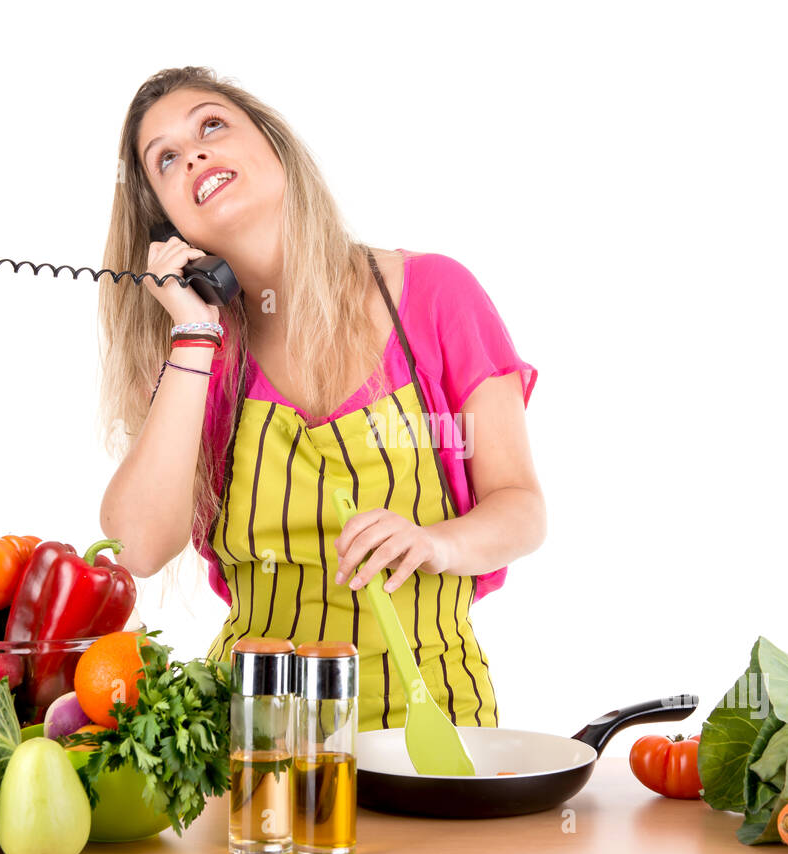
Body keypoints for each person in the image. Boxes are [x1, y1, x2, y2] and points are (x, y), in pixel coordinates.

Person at [97, 66, 545, 731]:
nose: (192, 153)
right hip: (252, 744)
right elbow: (135, 546)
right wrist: (194, 334)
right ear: (168, 224)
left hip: (434, 730)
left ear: (274, 146)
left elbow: (522, 509)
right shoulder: (195, 361)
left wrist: (436, 543)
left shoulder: (433, 296)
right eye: (165, 158)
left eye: (211, 125)